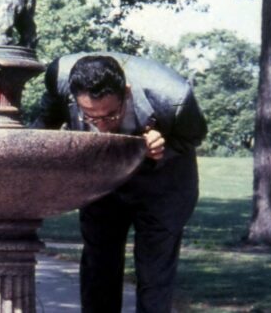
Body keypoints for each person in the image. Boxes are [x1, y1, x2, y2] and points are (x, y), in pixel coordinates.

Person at [34, 53, 207, 313]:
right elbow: (43, 127)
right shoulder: (58, 77)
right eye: (90, 116)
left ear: (126, 92)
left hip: (163, 185)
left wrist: (162, 147)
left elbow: (193, 136)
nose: (102, 126)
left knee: (154, 275)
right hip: (103, 178)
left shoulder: (174, 97)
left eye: (111, 115)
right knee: (99, 269)